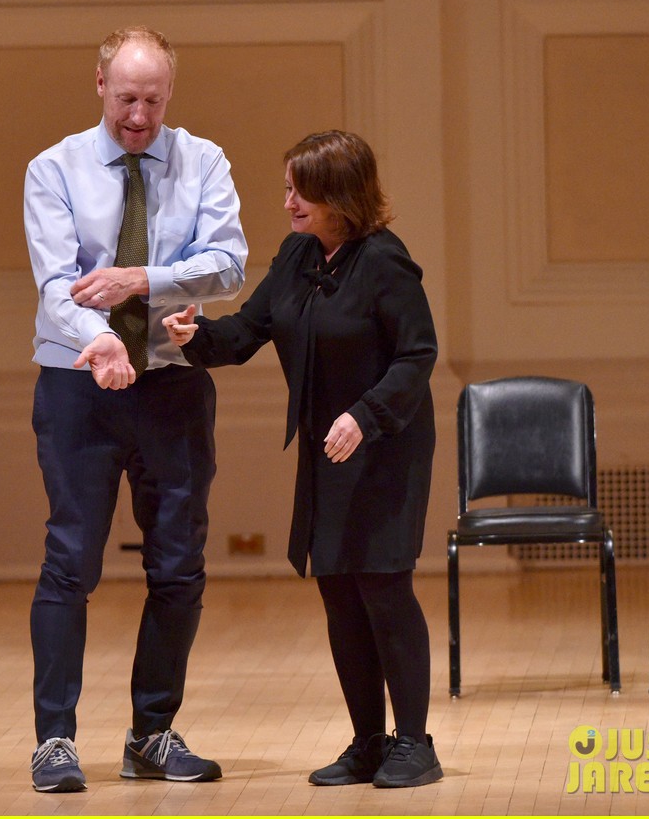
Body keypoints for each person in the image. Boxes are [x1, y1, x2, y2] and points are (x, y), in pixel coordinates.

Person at [163, 131, 443, 788]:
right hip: (328, 448)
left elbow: (417, 355)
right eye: (288, 187)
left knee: (382, 585)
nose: (287, 201)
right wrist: (194, 335)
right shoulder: (297, 255)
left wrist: (364, 416)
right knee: (339, 589)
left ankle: (414, 742)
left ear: (337, 195)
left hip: (384, 447)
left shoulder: (384, 262)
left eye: (299, 190)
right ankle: (368, 741)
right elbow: (248, 331)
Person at [23, 26, 248, 792]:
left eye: (153, 100)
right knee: (70, 563)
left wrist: (140, 281)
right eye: (126, 98)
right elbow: (57, 289)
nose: (139, 116)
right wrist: (102, 341)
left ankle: (152, 733)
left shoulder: (204, 160)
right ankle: (54, 740)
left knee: (179, 566)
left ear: (169, 96)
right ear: (99, 86)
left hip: (173, 385)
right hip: (78, 386)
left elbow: (228, 263)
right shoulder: (53, 168)